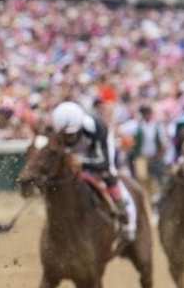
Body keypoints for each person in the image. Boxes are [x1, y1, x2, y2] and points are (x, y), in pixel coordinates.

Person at [50, 100, 136, 242]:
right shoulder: (57, 128)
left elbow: (104, 163)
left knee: (109, 174)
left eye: (70, 135)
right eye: (64, 135)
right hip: (78, 154)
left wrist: (82, 162)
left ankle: (124, 216)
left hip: (99, 151)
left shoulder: (97, 127)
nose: (68, 139)